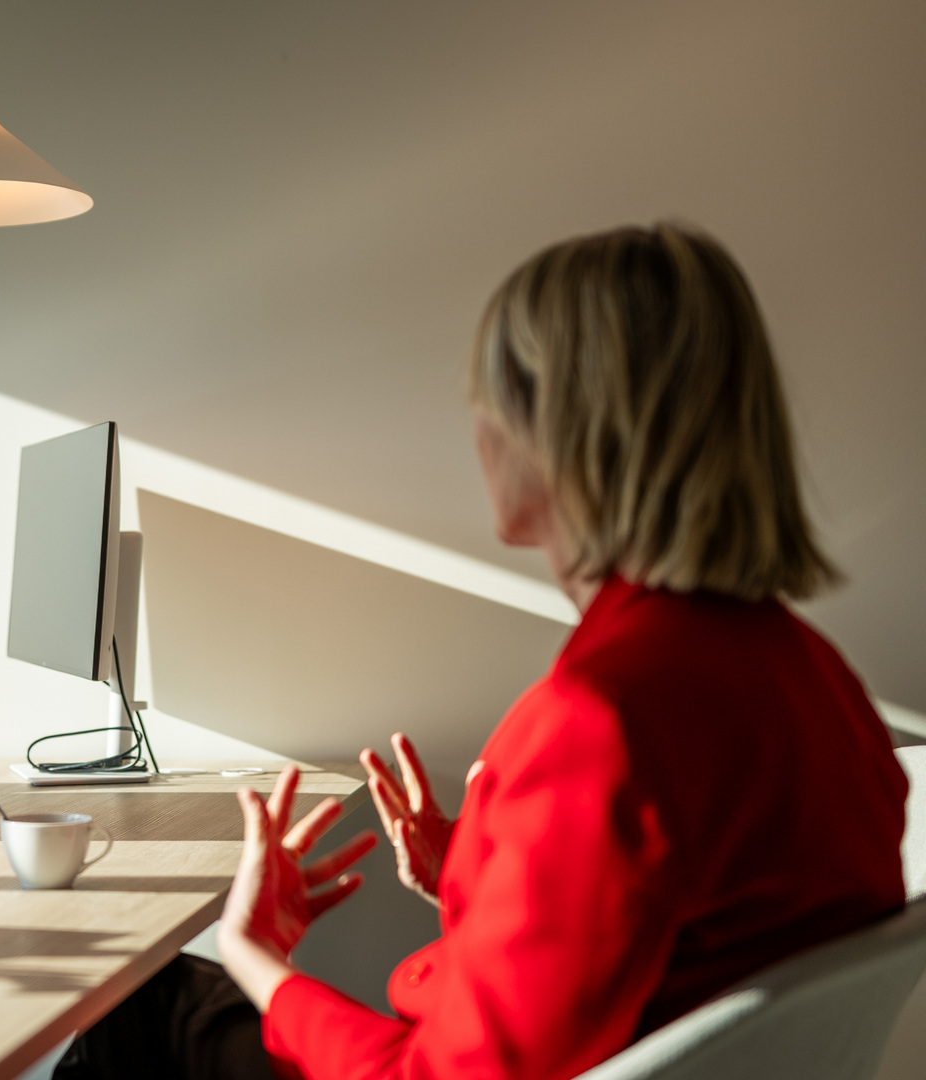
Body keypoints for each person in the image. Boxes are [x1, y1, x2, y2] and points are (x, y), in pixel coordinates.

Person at [58, 224, 908, 1080]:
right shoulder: (815, 678)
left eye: (488, 399)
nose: (477, 431)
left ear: (567, 431)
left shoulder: (602, 720)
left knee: (137, 1004)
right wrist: (475, 869)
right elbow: (668, 927)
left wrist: (255, 956)